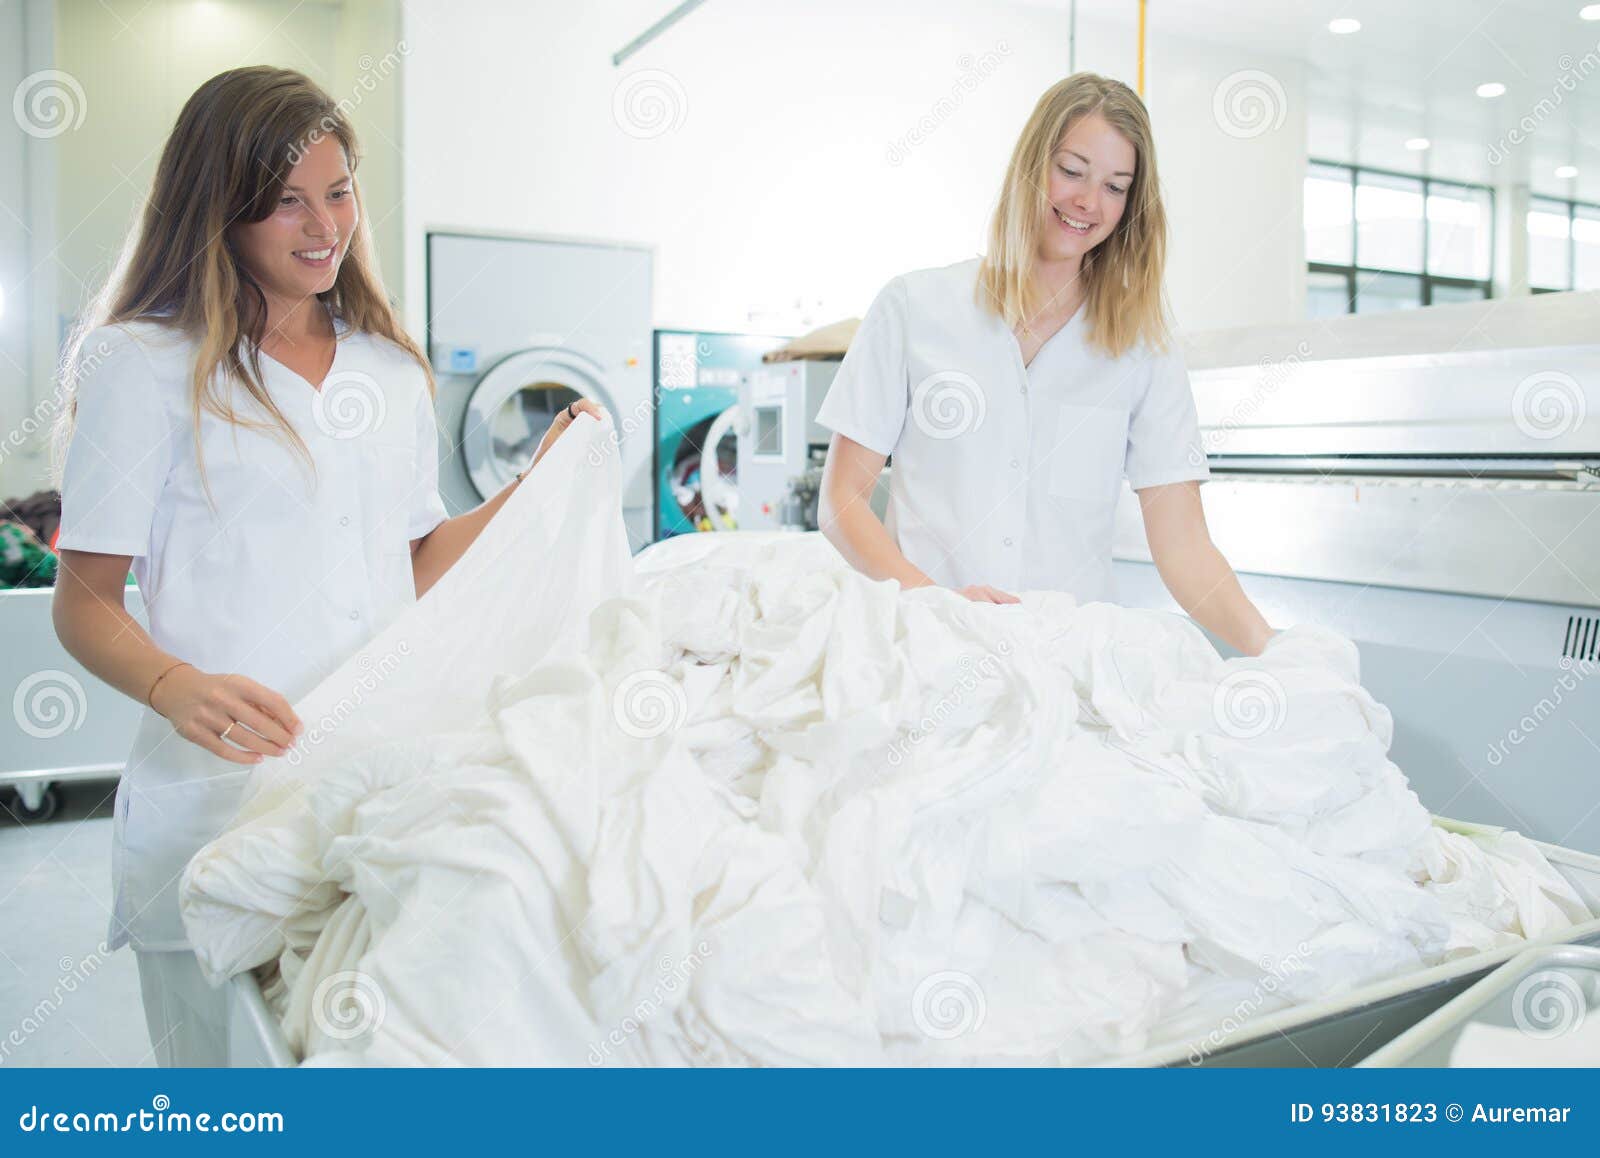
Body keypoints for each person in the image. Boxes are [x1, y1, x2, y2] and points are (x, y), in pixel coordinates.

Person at [49, 66, 602, 1066]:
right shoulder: (142, 363)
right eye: (284, 201)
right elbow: (83, 599)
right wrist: (176, 687)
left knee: (345, 1071)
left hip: (372, 793)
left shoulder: (387, 371)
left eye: (338, 192)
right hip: (217, 792)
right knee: (217, 1100)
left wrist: (535, 488)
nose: (322, 225)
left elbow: (418, 562)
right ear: (218, 208)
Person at [817, 73, 1272, 656]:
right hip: (927, 649)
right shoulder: (915, 307)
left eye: (1115, 186)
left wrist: (1273, 649)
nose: (1088, 201)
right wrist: (935, 605)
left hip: (1071, 665)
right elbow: (842, 500)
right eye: (1072, 170)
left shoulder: (1142, 345)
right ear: (1033, 165)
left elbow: (1183, 545)